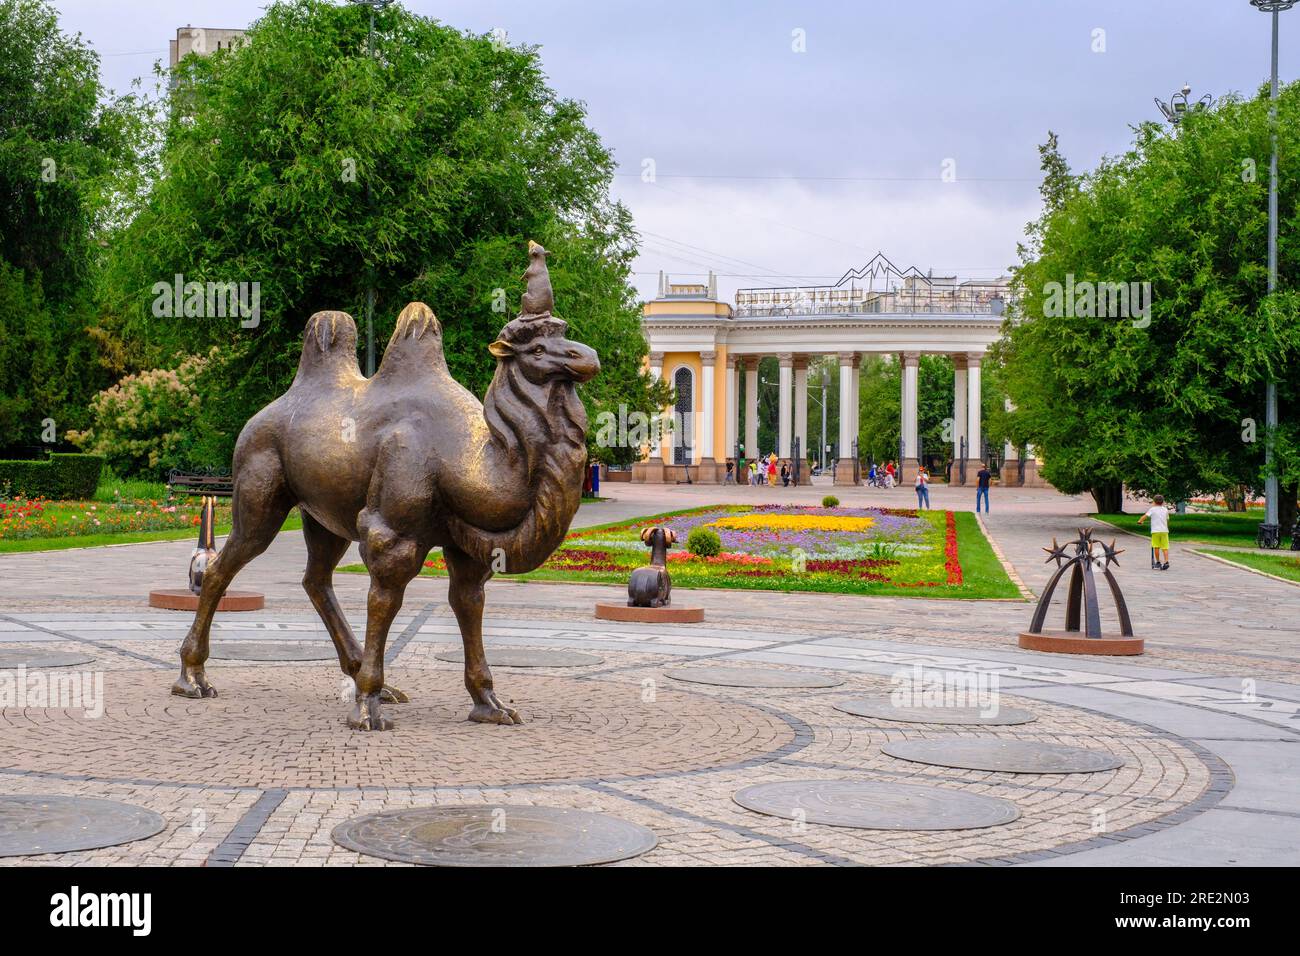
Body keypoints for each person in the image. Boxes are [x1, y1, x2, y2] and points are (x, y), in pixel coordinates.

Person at [1138, 494, 1172, 570]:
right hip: (1164, 531)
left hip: (1155, 531)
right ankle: (1166, 562)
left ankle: (1158, 562)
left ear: (1154, 502)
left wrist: (1140, 521)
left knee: (1156, 546)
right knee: (1165, 547)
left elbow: (1144, 516)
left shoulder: (1152, 509)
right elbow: (1167, 520)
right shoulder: (1165, 509)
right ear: (1163, 502)